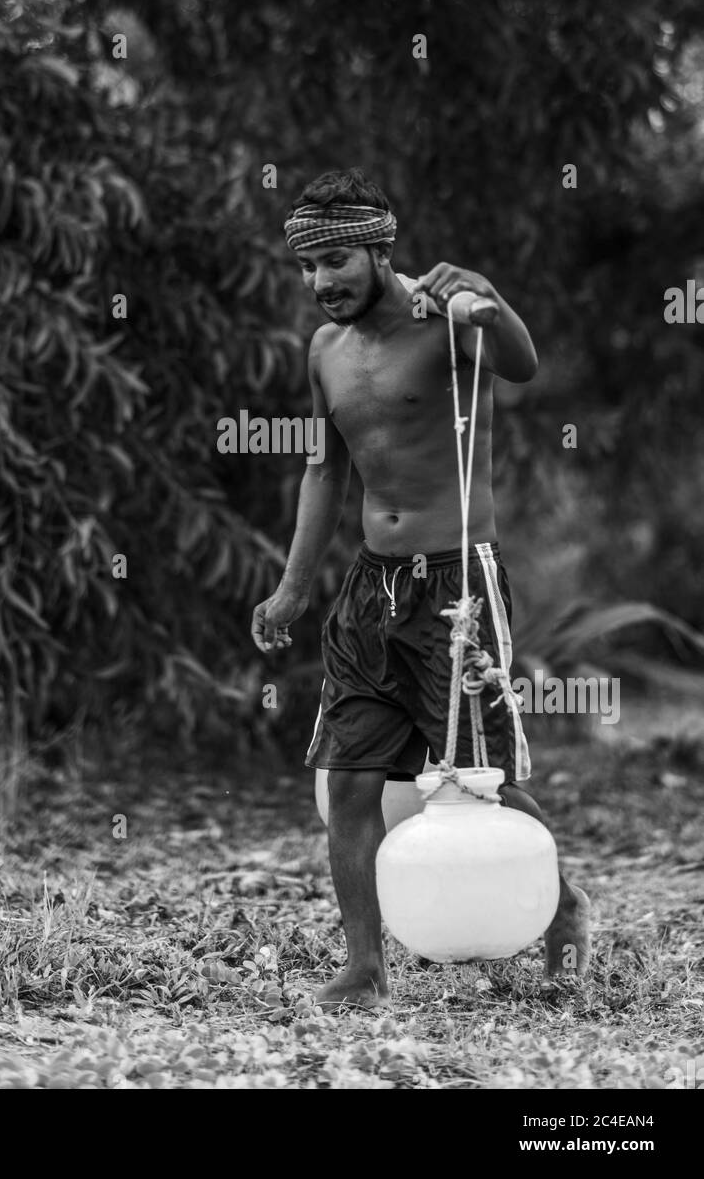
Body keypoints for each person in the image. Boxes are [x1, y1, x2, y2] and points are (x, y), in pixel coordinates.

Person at [250, 167, 591, 1009]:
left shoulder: (444, 322)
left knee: (482, 778)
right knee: (350, 776)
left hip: (456, 584)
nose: (319, 282)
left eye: (334, 260)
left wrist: (486, 293)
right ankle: (365, 970)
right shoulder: (323, 351)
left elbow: (520, 363)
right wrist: (293, 589)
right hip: (370, 590)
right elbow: (323, 472)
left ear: (377, 249)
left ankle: (561, 909)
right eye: (307, 266)